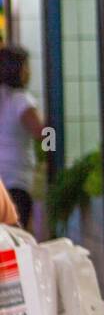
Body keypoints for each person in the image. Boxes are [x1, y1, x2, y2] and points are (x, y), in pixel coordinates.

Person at [0, 47, 45, 229]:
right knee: (13, 240)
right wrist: (52, 148)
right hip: (15, 181)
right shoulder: (21, 100)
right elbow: (42, 133)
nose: (29, 71)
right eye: (27, 66)